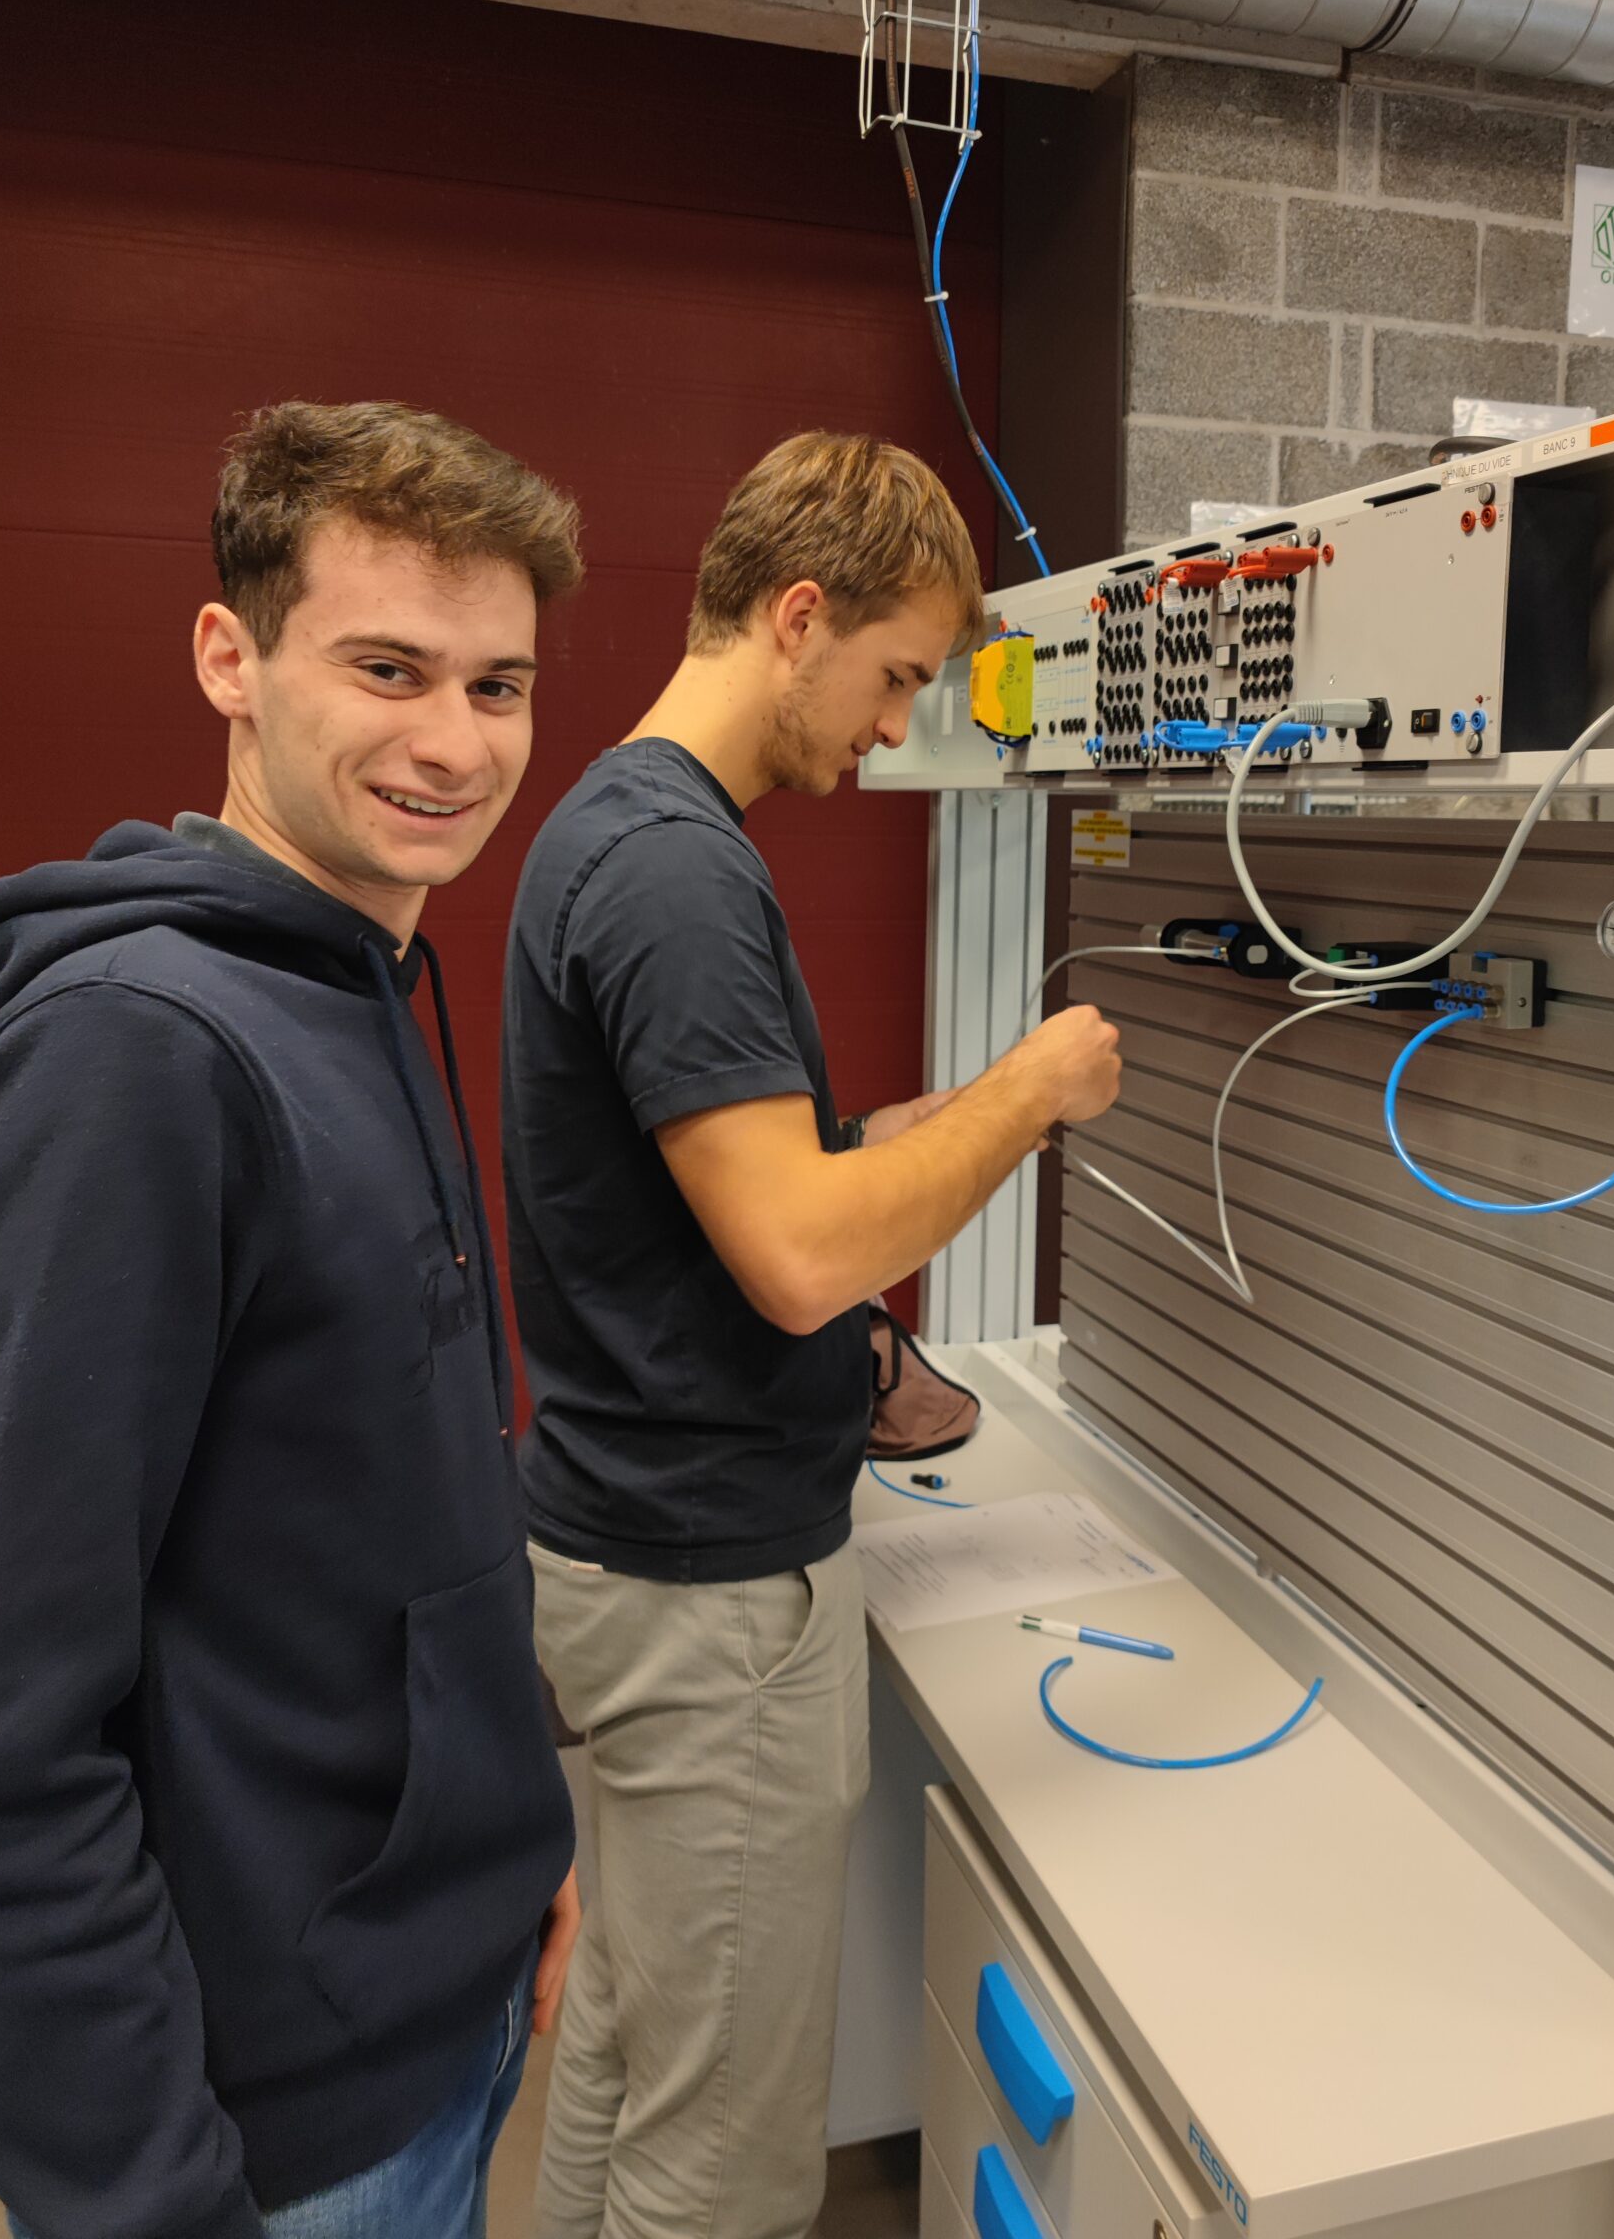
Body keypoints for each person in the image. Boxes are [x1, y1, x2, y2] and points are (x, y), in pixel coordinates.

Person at [0, 401, 587, 2239]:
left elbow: (387, 1505)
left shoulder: (364, 978)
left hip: (435, 1991)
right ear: (231, 656)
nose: (455, 742)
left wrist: (505, 1832)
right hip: (275, 2126)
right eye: (388, 668)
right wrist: (149, 2202)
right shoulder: (134, 1060)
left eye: (500, 686)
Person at [501, 429, 1121, 2239]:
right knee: (725, 2159)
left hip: (625, 1547)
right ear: (796, 617)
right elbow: (793, 1257)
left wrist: (935, 1123)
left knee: (630, 2041)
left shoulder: (615, 827)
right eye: (896, 676)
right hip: (710, 1603)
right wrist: (1032, 1090)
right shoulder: (679, 874)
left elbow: (747, 1176)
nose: (895, 728)